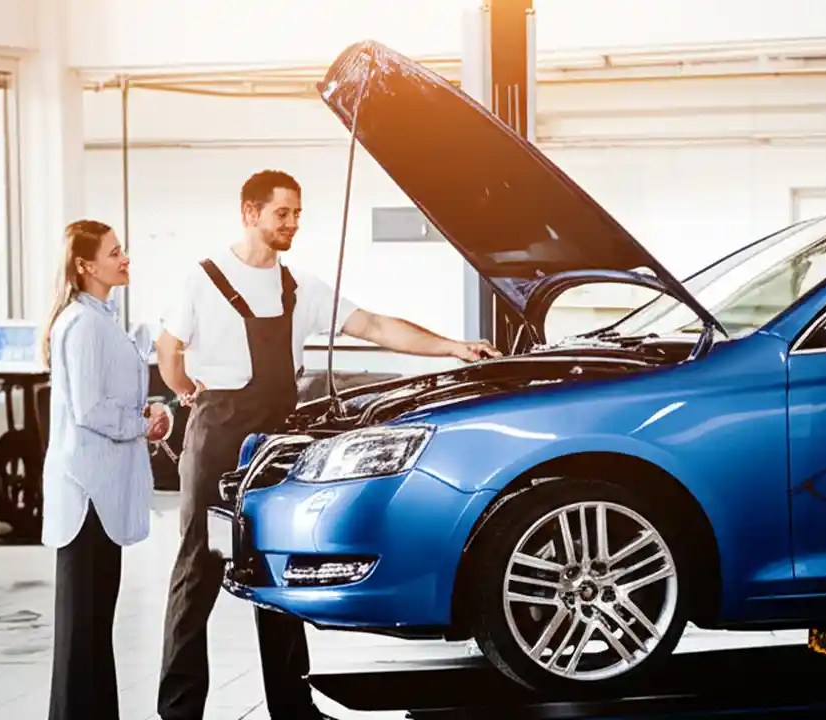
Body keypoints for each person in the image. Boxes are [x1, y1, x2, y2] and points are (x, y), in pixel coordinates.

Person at [154, 170, 499, 720]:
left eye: (297, 214)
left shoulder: (301, 288)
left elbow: (375, 326)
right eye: (282, 213)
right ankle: (179, 710)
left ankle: (293, 709)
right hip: (216, 435)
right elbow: (169, 350)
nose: (292, 223)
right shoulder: (203, 279)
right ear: (250, 213)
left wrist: (452, 347)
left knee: (277, 567)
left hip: (277, 441)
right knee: (198, 569)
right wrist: (187, 392)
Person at [40, 219, 172, 720]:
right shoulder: (83, 324)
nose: (124, 258)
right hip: (86, 495)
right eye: (114, 252)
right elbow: (91, 409)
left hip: (99, 492)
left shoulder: (100, 319)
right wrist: (141, 423)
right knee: (82, 631)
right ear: (86, 265)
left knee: (94, 628)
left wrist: (147, 414)